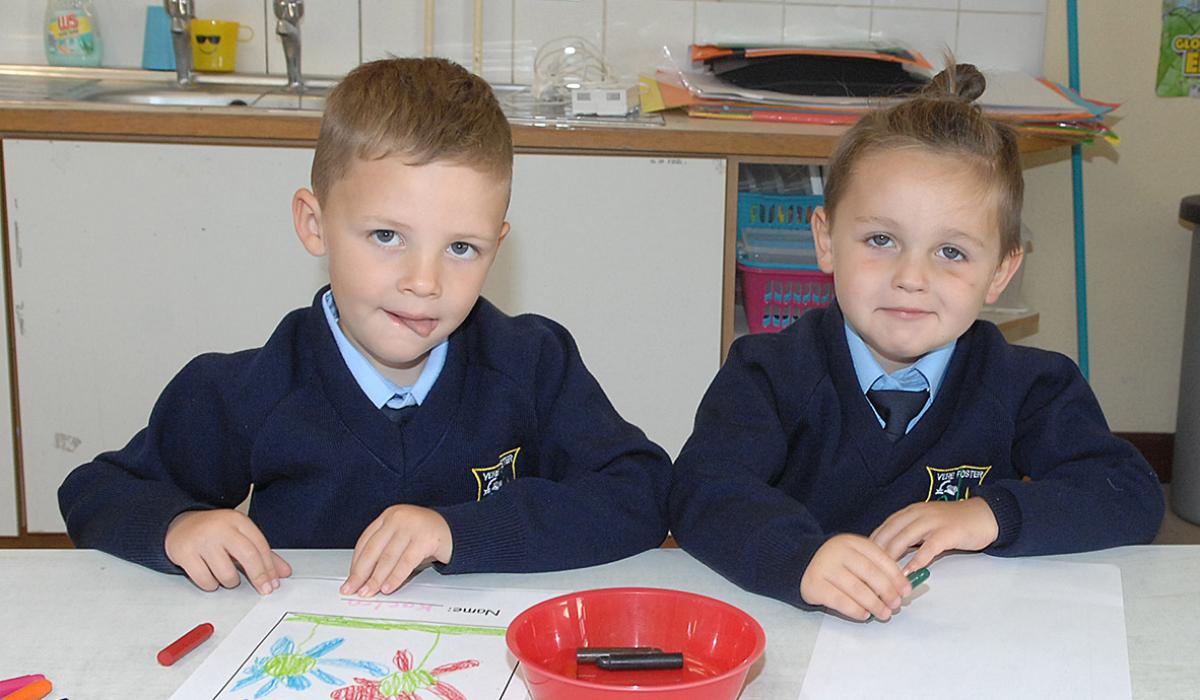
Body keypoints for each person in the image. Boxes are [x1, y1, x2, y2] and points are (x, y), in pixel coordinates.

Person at [58, 57, 672, 598]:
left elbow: (640, 491)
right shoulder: (250, 386)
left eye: (462, 248)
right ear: (314, 224)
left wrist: (459, 532)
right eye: (387, 236)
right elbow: (96, 492)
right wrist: (177, 526)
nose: (424, 281)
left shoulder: (532, 363)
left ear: (498, 247)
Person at [668, 63, 1164, 621]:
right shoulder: (767, 372)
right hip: (800, 633)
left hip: (962, 640)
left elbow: (1128, 493)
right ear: (826, 241)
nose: (912, 276)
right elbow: (701, 491)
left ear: (1000, 272)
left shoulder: (1030, 384)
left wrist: (991, 514)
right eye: (881, 239)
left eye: (951, 252)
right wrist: (801, 559)